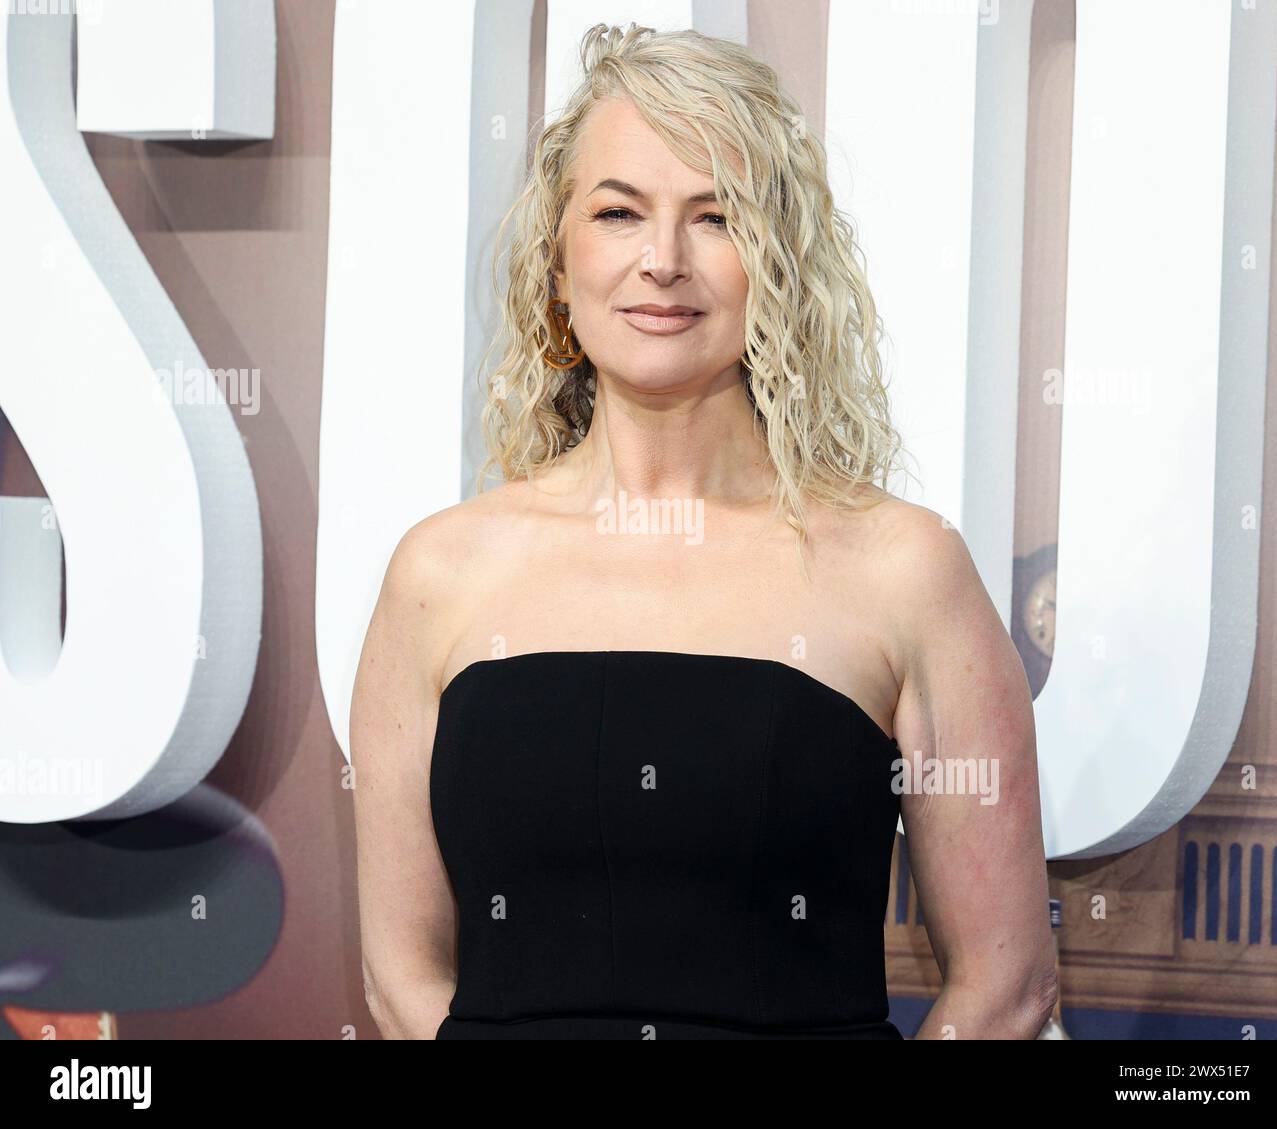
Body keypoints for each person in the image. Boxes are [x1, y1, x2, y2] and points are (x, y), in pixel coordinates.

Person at [351, 22, 1056, 1040]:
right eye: (619, 212)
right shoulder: (440, 574)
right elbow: (399, 977)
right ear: (558, 260)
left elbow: (1007, 989)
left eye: (715, 216)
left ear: (777, 266)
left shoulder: (903, 569)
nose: (662, 262)